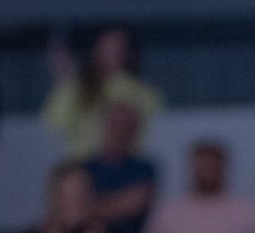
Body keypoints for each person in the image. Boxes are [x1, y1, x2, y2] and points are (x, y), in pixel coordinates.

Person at [42, 23, 165, 162]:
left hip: (127, 168)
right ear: (95, 50)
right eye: (106, 47)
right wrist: (67, 83)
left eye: (119, 47)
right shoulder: (75, 89)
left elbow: (158, 133)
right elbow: (53, 125)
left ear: (130, 52)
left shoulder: (145, 93)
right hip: (82, 168)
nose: (112, 53)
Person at [84, 102, 160, 233]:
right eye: (114, 124)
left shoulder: (144, 168)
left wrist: (94, 205)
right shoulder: (86, 168)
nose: (119, 131)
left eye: (126, 126)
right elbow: (73, 207)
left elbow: (137, 202)